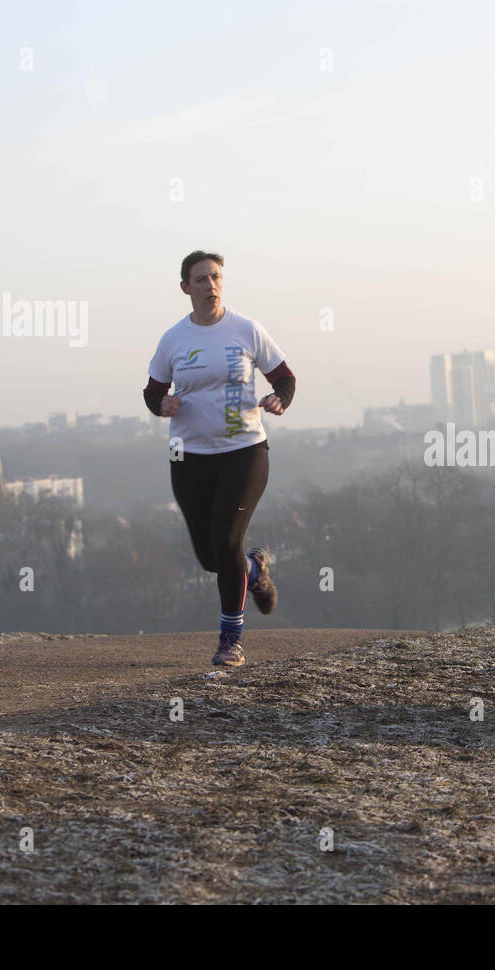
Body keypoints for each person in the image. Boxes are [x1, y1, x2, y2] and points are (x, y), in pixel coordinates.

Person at [142, 250, 296, 665]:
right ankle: (253, 569)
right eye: (200, 280)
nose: (210, 286)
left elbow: (284, 377)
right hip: (187, 456)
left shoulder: (246, 329)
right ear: (185, 288)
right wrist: (162, 405)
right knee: (211, 557)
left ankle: (231, 638)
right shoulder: (174, 339)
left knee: (226, 540)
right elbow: (152, 391)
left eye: (215, 278)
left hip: (244, 451)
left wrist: (279, 399)